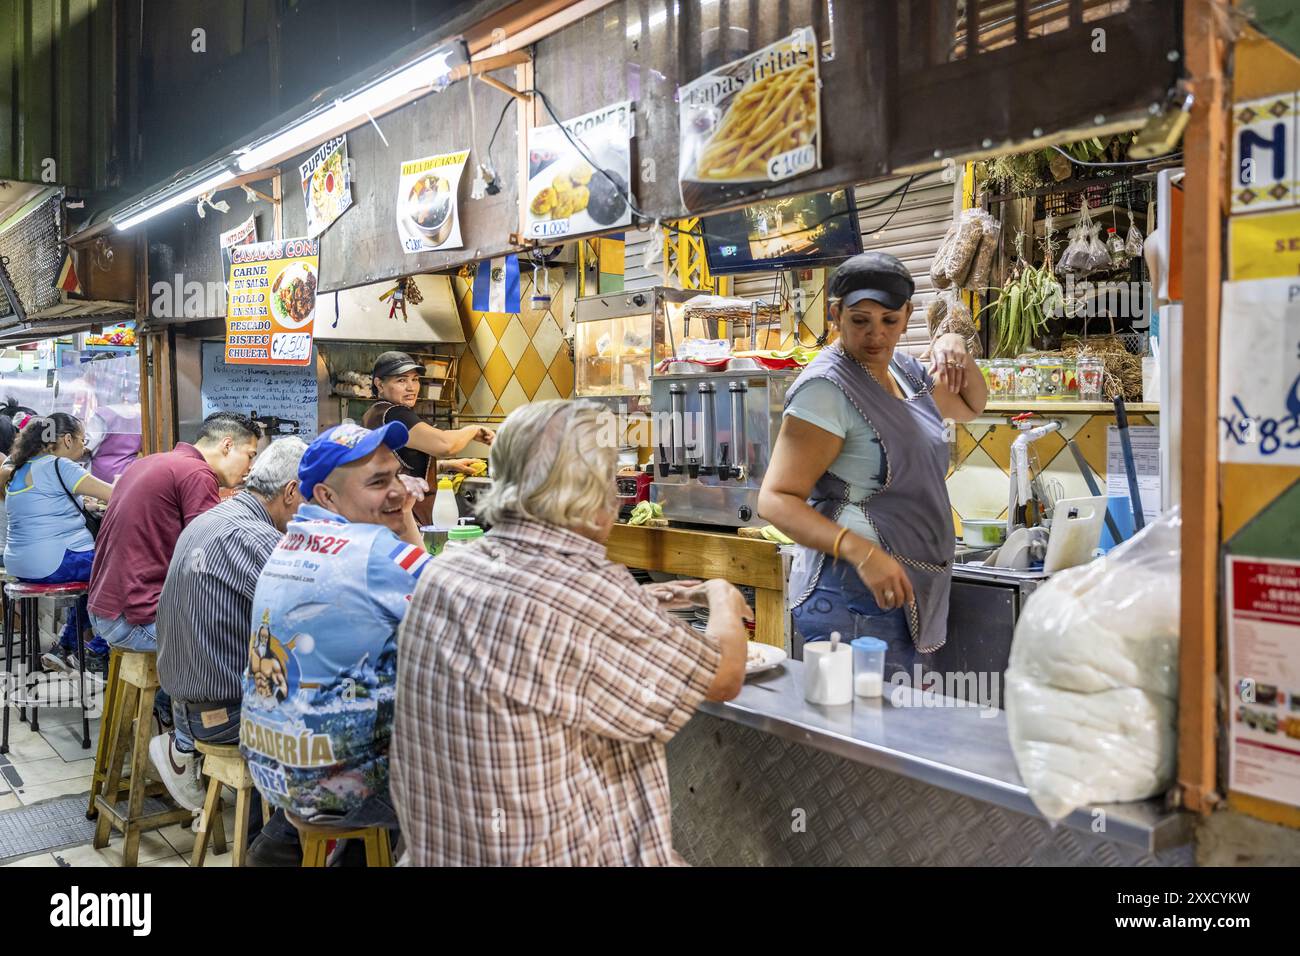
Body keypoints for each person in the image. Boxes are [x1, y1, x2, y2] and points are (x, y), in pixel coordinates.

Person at [390, 400, 750, 866]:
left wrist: (679, 595)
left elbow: (570, 617)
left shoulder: (448, 571)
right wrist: (722, 596)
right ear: (590, 493)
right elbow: (722, 675)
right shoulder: (584, 591)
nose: (618, 500)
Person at [758, 251, 987, 681]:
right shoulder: (825, 390)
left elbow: (971, 404)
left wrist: (955, 348)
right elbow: (775, 500)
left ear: (907, 315)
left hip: (907, 593)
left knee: (894, 737)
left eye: (889, 320)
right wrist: (862, 553)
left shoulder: (903, 371)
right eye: (860, 320)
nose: (875, 335)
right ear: (835, 314)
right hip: (851, 595)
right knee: (861, 740)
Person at [240, 420, 427, 861]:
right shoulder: (375, 551)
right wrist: (408, 528)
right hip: (336, 789)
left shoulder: (288, 543)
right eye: (378, 482)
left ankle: (282, 851)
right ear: (326, 496)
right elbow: (470, 611)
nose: (399, 491)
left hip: (270, 767)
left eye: (397, 475)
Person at [152, 437, 307, 857]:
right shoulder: (256, 538)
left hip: (183, 705)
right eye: (312, 500)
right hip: (218, 715)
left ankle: (267, 838)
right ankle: (271, 850)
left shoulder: (214, 518)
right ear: (291, 491)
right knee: (348, 732)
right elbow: (309, 619)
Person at [88, 411, 261, 751]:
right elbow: (215, 550)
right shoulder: (196, 473)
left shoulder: (154, 462)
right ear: (227, 445)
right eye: (250, 455)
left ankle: (168, 725)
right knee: (226, 645)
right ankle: (184, 749)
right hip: (132, 620)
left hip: (106, 611)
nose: (250, 467)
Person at [0, 414, 114, 671]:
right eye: (82, 440)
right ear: (66, 439)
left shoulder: (19, 467)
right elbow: (117, 493)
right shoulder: (59, 466)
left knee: (91, 578)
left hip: (19, 565)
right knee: (119, 567)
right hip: (54, 562)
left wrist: (84, 504)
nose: (84, 447)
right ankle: (98, 648)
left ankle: (65, 647)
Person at [361, 351, 493, 520]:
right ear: (379, 384)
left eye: (415, 379)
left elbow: (394, 466)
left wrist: (445, 465)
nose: (411, 387)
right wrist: (473, 430)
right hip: (407, 516)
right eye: (401, 380)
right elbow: (445, 445)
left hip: (390, 514)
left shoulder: (375, 413)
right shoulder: (396, 414)